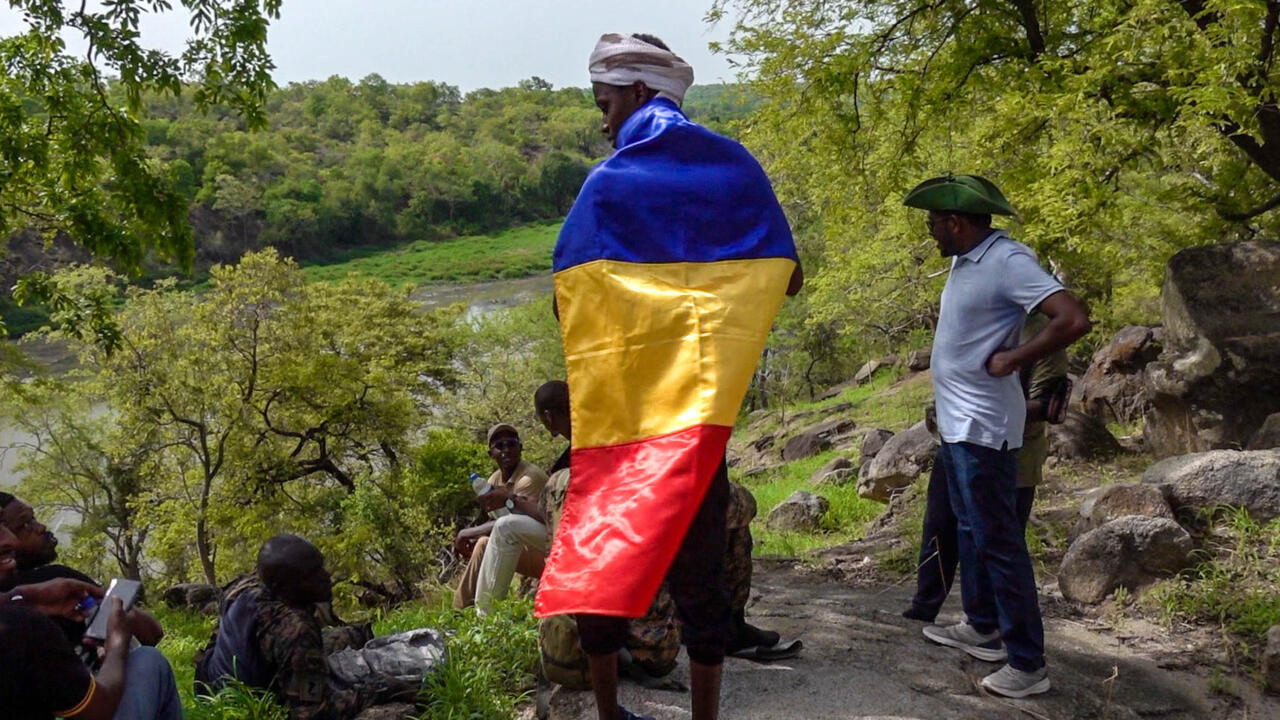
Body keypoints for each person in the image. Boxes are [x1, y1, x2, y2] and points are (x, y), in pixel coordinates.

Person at [536, 33, 802, 720]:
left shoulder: (608, 185)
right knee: (700, 581)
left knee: (605, 569)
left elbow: (567, 293)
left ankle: (607, 712)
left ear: (637, 94)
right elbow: (787, 276)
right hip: (694, 429)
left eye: (604, 103)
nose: (602, 119)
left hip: (622, 427)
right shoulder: (736, 169)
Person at [903, 174, 1090, 698]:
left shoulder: (1008, 261)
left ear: (957, 222)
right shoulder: (968, 260)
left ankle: (1028, 663)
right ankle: (982, 627)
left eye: (934, 223)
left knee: (1000, 543)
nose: (931, 232)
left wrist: (1014, 357)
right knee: (969, 529)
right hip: (960, 424)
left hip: (985, 428)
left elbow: (1072, 317)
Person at [905, 311, 1069, 621]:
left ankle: (990, 623)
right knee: (939, 528)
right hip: (955, 444)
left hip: (1013, 454)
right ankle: (925, 605)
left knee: (996, 543)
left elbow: (1050, 405)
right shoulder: (979, 320)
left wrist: (979, 410)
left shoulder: (1042, 332)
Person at [195, 534, 410, 719]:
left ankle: (362, 635)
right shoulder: (296, 628)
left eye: (321, 568)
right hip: (240, 699)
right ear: (284, 586)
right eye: (313, 574)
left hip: (210, 679)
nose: (326, 577)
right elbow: (312, 713)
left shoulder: (245, 588)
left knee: (349, 636)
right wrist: (381, 690)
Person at [1, 521, 184, 720]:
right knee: (149, 660)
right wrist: (116, 646)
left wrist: (21, 597)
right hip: (90, 701)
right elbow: (96, 711)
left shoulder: (19, 610)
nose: (11, 539)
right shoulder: (20, 626)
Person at [0, 492, 164, 648]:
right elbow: (151, 633)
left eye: (33, 518)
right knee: (149, 659)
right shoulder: (56, 579)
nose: (41, 527)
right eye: (25, 525)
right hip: (100, 675)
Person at [452, 424, 550, 611]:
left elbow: (512, 523)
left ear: (520, 447)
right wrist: (472, 534)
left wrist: (467, 533)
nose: (506, 450)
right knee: (482, 541)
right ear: (491, 453)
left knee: (483, 542)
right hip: (524, 545)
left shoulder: (529, 477)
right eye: (500, 445)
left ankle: (479, 614)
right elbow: (498, 522)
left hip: (548, 552)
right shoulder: (493, 481)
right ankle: (461, 610)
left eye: (511, 444)